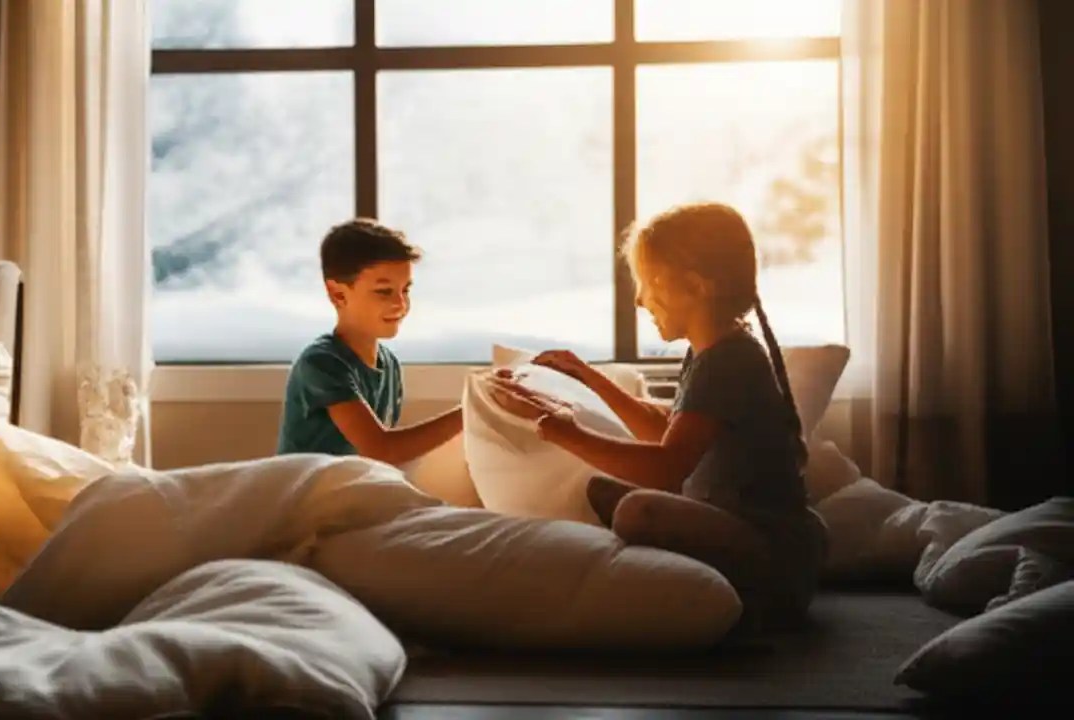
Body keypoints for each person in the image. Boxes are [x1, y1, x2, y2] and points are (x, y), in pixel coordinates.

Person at [489, 203, 826, 628]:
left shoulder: (726, 360)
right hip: (755, 535)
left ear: (697, 286)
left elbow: (666, 469)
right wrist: (589, 379)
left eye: (649, 283)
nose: (639, 299)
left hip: (768, 550)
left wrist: (559, 431)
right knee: (599, 490)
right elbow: (668, 432)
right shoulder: (712, 352)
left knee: (637, 511)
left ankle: (731, 602)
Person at [276, 218, 462, 467]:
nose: (401, 303)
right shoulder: (321, 363)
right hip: (309, 498)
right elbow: (382, 449)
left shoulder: (390, 365)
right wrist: (470, 412)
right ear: (338, 294)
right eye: (384, 291)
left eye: (405, 290)